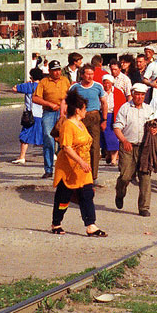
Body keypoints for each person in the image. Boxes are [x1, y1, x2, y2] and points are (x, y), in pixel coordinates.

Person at [50, 91, 106, 237]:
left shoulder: (80, 124)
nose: (86, 112)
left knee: (87, 194)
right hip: (69, 167)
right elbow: (66, 147)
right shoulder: (68, 125)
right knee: (63, 197)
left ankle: (91, 225)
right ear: (77, 110)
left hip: (83, 168)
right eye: (84, 109)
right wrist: (80, 161)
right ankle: (56, 223)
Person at [113, 83, 157, 216]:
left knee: (145, 177)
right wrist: (124, 141)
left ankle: (144, 207)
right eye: (137, 94)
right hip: (128, 146)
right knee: (125, 176)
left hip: (144, 147)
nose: (139, 97)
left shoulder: (149, 109)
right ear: (132, 94)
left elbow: (155, 123)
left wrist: (156, 128)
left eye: (142, 95)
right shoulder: (125, 108)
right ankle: (120, 193)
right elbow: (117, 127)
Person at [33, 60, 70, 179]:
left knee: (63, 140)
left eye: (59, 70)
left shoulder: (65, 80)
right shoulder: (44, 82)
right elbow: (35, 98)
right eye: (54, 70)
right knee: (48, 138)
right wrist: (48, 104)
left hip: (63, 112)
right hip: (49, 112)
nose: (57, 72)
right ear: (49, 71)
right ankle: (48, 169)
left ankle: (62, 168)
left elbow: (70, 95)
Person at [69, 64, 107, 182]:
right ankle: (78, 172)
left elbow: (104, 103)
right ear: (82, 75)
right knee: (78, 145)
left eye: (92, 74)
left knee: (95, 146)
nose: (90, 76)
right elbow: (68, 103)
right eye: (87, 74)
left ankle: (93, 175)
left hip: (94, 116)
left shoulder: (98, 87)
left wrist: (104, 120)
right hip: (79, 118)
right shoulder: (75, 87)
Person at [12, 68, 45, 165]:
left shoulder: (28, 86)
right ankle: (51, 153)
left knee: (25, 136)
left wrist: (27, 83)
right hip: (41, 113)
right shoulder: (43, 86)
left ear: (32, 77)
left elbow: (14, 88)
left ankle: (22, 156)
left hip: (30, 115)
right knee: (43, 135)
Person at [100, 74, 127, 166]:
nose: (107, 85)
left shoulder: (118, 92)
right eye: (105, 83)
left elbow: (122, 104)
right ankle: (108, 154)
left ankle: (113, 159)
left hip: (113, 115)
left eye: (108, 83)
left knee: (113, 138)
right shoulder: (101, 92)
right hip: (103, 115)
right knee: (104, 137)